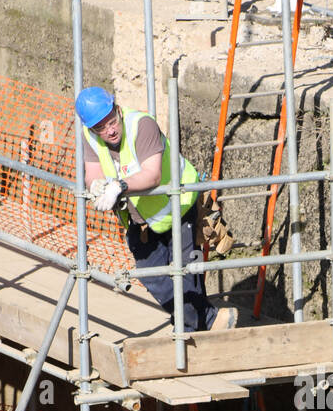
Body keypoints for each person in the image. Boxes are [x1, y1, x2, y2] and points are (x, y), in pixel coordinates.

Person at [75, 86, 237, 332]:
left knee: (185, 277)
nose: (110, 130)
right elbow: (93, 173)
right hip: (143, 221)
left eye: (111, 121)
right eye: (101, 127)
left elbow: (152, 176)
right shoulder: (91, 138)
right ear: (91, 128)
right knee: (152, 276)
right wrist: (96, 186)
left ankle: (191, 335)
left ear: (117, 109)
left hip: (179, 207)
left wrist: (119, 186)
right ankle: (209, 320)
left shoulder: (142, 126)